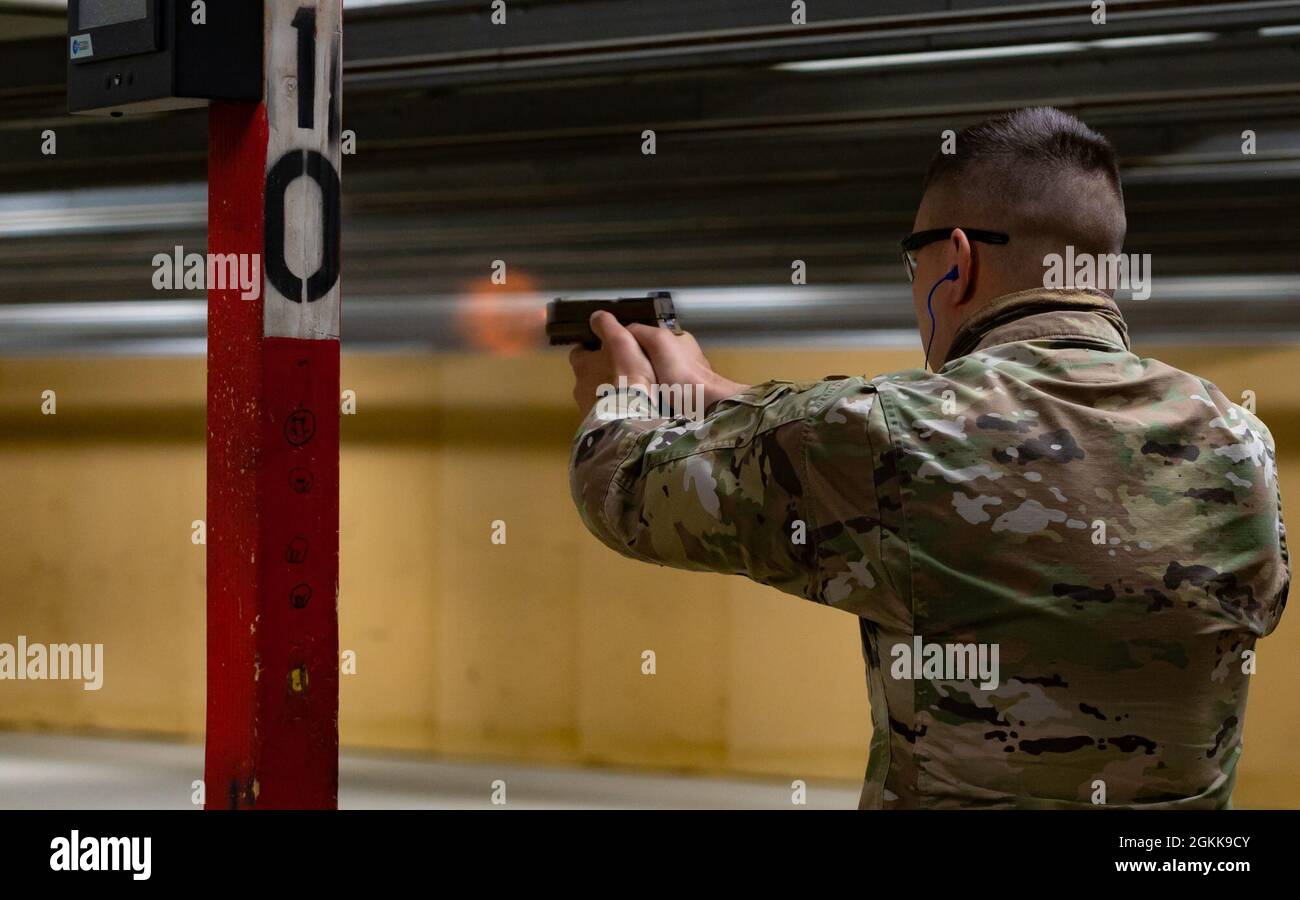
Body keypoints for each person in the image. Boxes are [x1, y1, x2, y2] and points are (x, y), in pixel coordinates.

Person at [565, 107, 1290, 809]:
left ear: (958, 261)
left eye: (916, 259)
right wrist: (714, 394)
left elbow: (625, 491)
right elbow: (926, 438)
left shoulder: (881, 438)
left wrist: (620, 397)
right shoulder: (1240, 441)